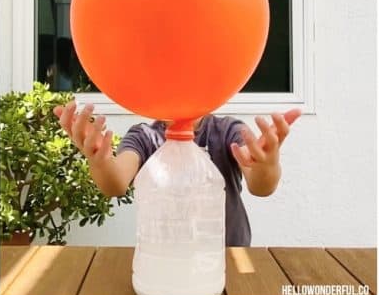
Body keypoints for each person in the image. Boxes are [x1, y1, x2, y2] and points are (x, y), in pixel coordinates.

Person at [53, 102, 301, 246]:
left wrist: (266, 165)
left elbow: (260, 186)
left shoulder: (227, 130)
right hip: (167, 264)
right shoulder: (143, 136)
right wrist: (100, 161)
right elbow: (116, 183)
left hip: (229, 256)